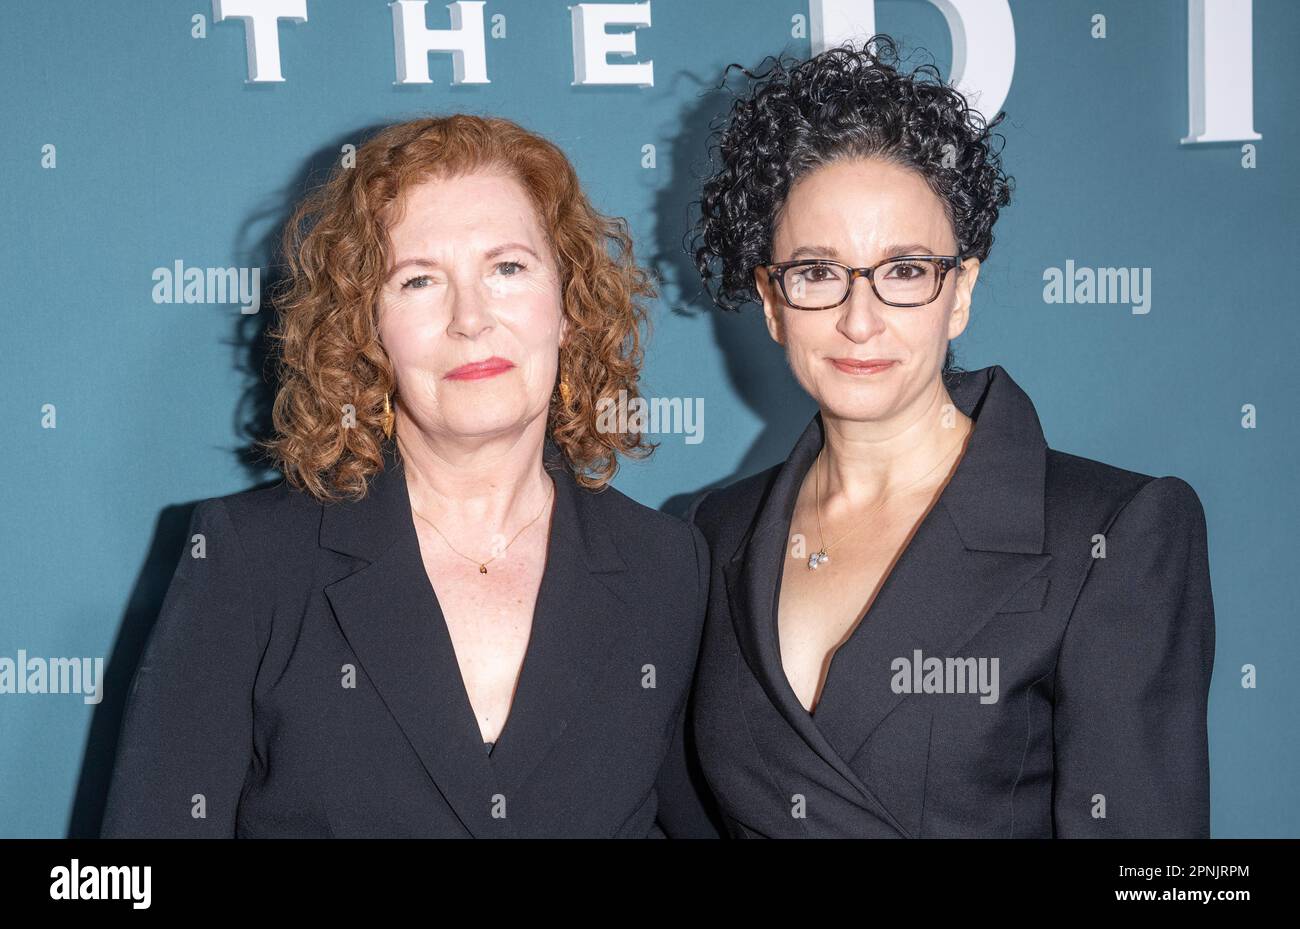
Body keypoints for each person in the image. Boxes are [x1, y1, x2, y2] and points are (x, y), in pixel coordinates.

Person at [102, 114, 718, 838]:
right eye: (420, 280)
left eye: (507, 268)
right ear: (364, 330)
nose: (471, 318)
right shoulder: (246, 559)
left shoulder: (667, 567)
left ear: (570, 307)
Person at [685, 37, 1215, 838]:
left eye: (904, 270)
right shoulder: (712, 532)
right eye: (818, 271)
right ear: (771, 299)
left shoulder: (1112, 531)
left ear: (958, 291)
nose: (858, 319)